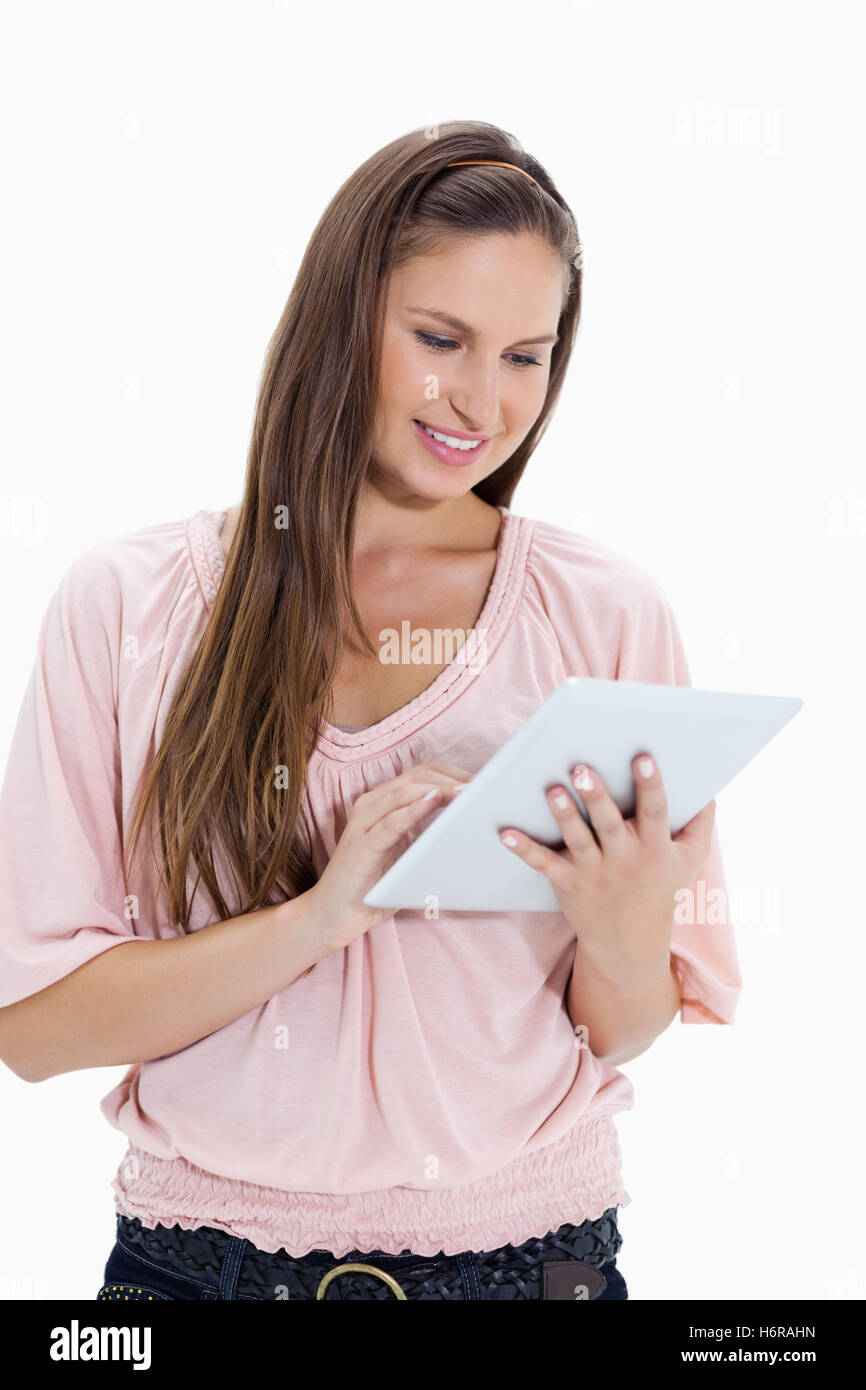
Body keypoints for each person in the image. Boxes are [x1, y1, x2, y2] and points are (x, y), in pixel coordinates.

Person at [0, 120, 741, 1301]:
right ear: (343, 320)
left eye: (524, 355)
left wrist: (619, 929)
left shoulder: (603, 613)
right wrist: (317, 918)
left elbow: (624, 1026)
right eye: (439, 338)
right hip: (195, 1273)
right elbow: (31, 1029)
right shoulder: (127, 605)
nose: (481, 400)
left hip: (534, 1266)